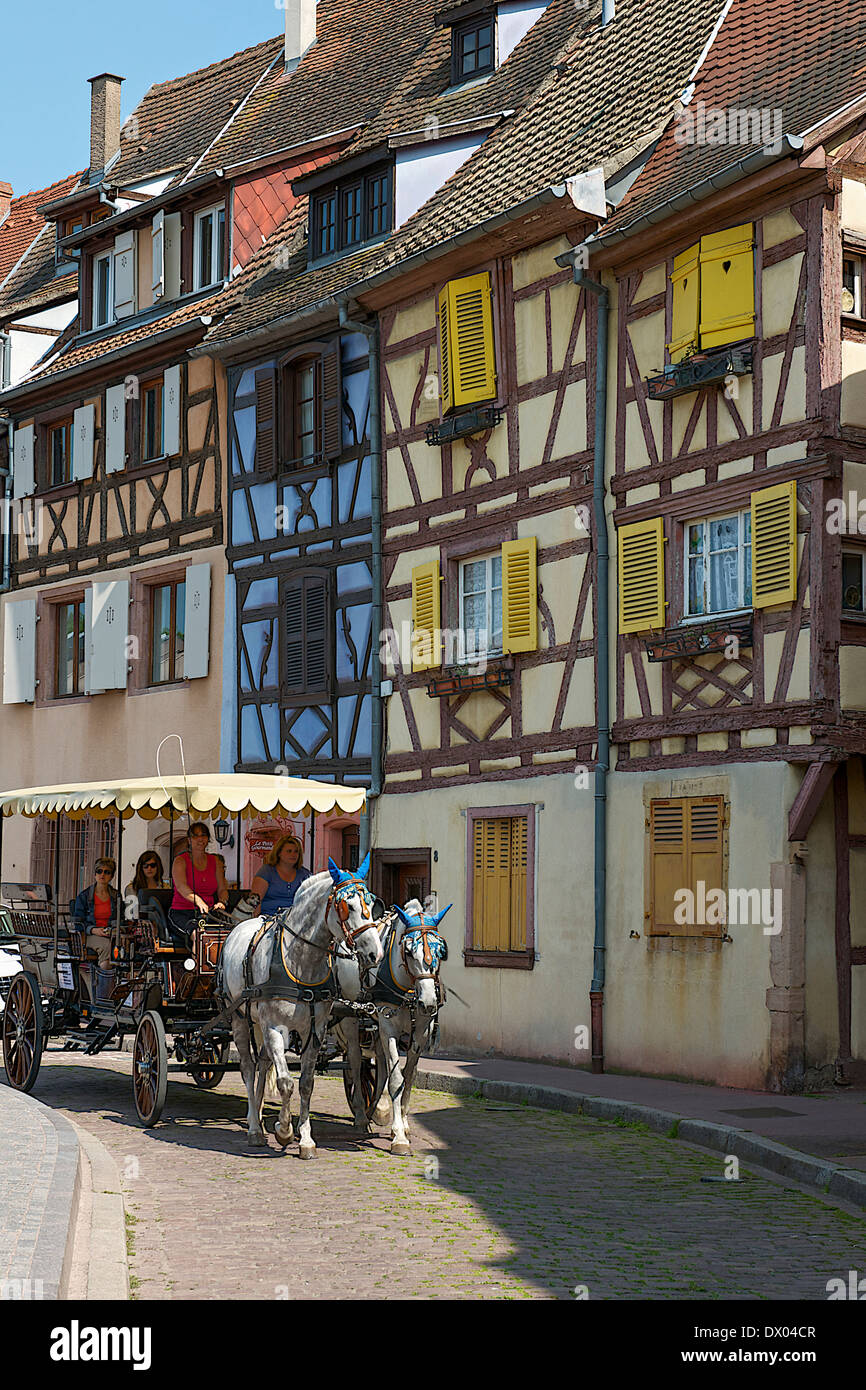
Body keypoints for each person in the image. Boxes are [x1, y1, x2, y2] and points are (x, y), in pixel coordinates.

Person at [169, 823, 228, 946]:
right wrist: (199, 901)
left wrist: (222, 902)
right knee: (198, 936)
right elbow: (181, 886)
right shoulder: (180, 861)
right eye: (195, 836)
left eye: (203, 835)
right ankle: (199, 965)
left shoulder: (215, 861)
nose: (200, 839)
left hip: (209, 914)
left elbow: (222, 888)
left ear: (207, 839)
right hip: (182, 912)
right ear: (189, 840)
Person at [71, 857, 119, 967]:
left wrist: (114, 929)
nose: (102, 875)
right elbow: (77, 923)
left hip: (111, 934)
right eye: (99, 871)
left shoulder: (116, 896)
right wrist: (93, 930)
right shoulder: (84, 896)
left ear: (111, 876)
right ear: (95, 874)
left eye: (107, 872)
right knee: (107, 946)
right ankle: (104, 982)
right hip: (89, 935)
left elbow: (120, 918)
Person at [251, 834, 311, 916]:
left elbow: (311, 901)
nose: (293, 855)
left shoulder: (305, 874)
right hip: (268, 919)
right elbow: (255, 903)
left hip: (296, 920)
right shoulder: (267, 872)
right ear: (279, 853)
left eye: (296, 851)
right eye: (289, 851)